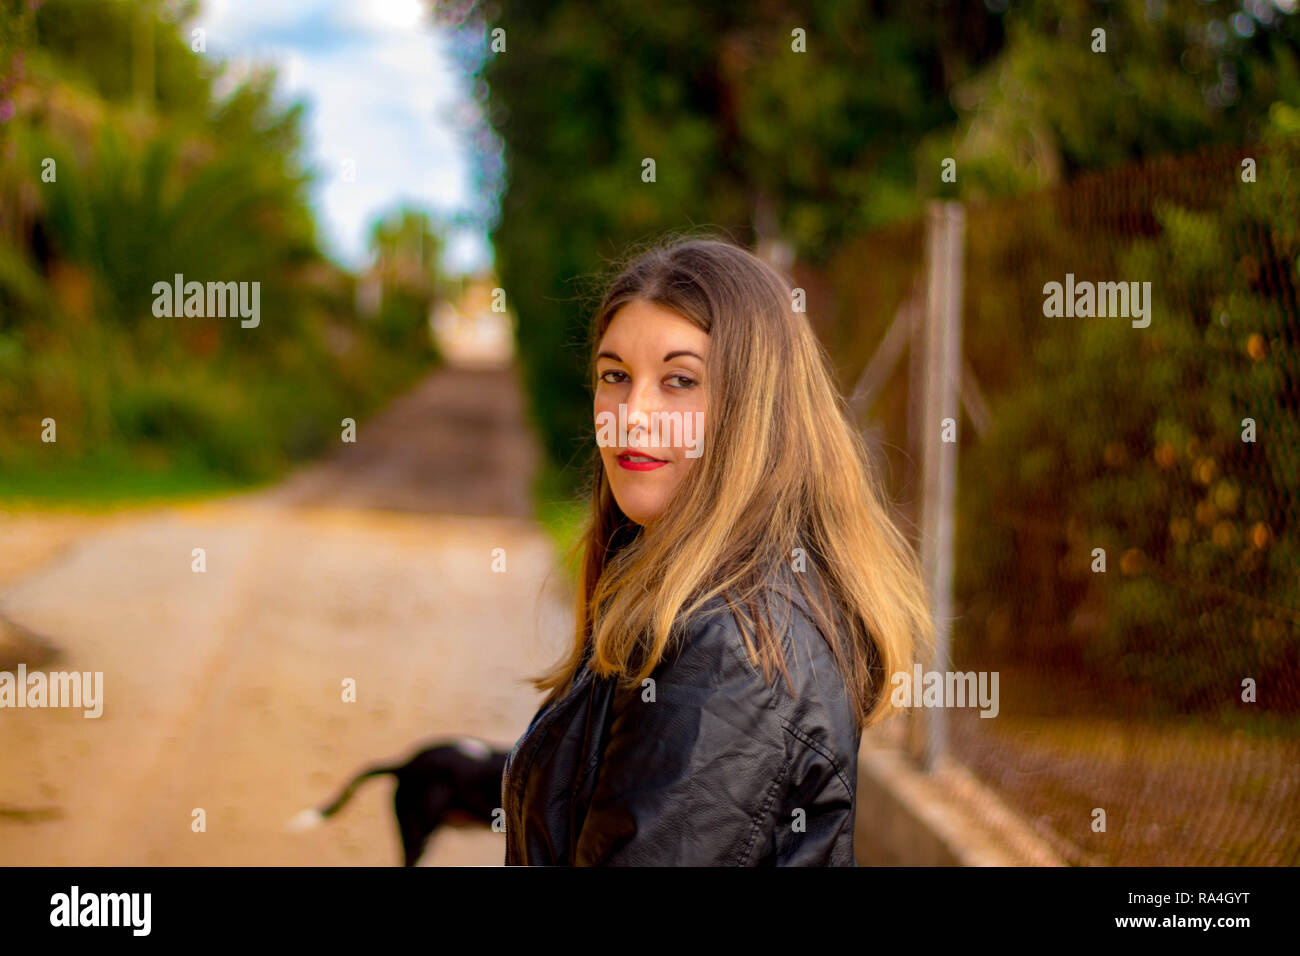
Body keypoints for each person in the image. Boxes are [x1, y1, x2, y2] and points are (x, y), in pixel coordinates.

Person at [501, 234, 933, 865]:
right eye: (614, 375)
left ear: (752, 410)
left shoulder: (727, 650)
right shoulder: (695, 594)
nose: (633, 415)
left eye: (680, 380)